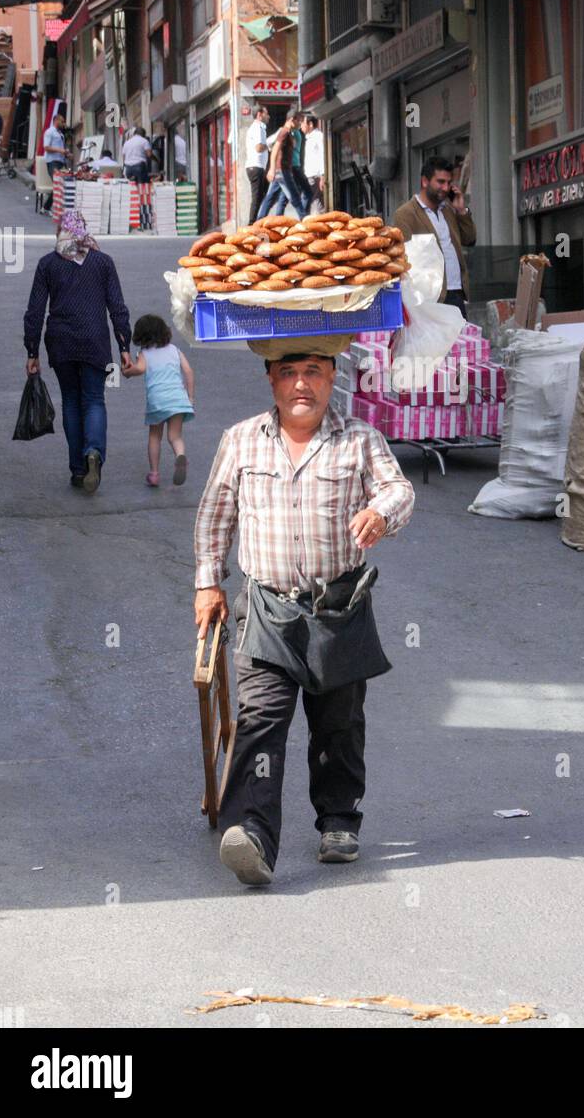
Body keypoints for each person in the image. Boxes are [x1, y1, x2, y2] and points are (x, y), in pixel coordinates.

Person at [194, 350, 415, 886]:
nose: (301, 385)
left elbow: (399, 489)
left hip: (337, 607)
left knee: (337, 722)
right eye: (289, 373)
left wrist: (379, 513)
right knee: (260, 720)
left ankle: (338, 820)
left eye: (313, 372)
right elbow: (215, 512)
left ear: (332, 377)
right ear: (271, 378)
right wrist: (207, 582)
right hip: (266, 607)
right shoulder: (241, 439)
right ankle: (252, 833)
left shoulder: (360, 439)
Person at [23, 211, 132, 493]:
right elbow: (117, 307)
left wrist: (32, 350)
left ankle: (78, 469)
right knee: (94, 399)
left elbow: (35, 311)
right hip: (95, 341)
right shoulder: (102, 262)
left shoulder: (48, 264)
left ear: (61, 232)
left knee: (71, 401)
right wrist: (124, 346)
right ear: (83, 232)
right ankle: (93, 451)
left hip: (61, 342)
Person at [394, 155, 477, 318]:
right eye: (440, 182)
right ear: (425, 181)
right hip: (430, 298)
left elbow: (470, 239)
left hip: (456, 292)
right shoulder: (405, 214)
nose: (445, 188)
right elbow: (405, 259)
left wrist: (461, 211)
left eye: (448, 183)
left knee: (461, 342)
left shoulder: (448, 210)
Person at [122, 314, 194, 488]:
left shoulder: (144, 354)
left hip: (158, 401)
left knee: (155, 436)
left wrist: (127, 372)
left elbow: (139, 369)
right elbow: (189, 372)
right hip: (178, 399)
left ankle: (154, 474)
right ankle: (180, 456)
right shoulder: (175, 350)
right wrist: (190, 398)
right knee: (175, 436)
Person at [257, 106, 306, 219]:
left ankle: (258, 222)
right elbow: (274, 150)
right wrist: (272, 169)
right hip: (282, 171)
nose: (300, 123)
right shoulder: (284, 132)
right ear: (291, 120)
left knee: (270, 198)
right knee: (295, 197)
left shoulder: (289, 133)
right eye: (298, 120)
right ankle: (305, 221)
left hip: (281, 171)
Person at [245, 106, 271, 223]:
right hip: (256, 167)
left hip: (257, 166)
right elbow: (259, 147)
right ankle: (252, 223)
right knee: (257, 197)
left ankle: (258, 221)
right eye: (266, 113)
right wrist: (269, 145)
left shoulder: (257, 128)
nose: (268, 116)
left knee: (261, 196)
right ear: (259, 115)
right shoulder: (257, 128)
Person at [302, 113, 326, 213]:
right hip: (309, 176)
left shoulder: (318, 136)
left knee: (314, 204)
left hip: (315, 176)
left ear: (310, 124)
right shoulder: (309, 138)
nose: (301, 126)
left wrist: (322, 176)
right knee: (311, 204)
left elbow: (323, 155)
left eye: (303, 123)